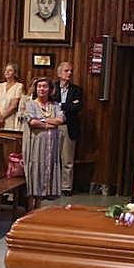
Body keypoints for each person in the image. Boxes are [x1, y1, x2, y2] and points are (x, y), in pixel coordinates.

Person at [19, 78, 65, 211]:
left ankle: (40, 206)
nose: (42, 89)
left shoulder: (55, 105)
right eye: (39, 86)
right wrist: (48, 123)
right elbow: (32, 122)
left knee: (46, 169)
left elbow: (60, 120)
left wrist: (42, 120)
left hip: (50, 146)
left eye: (45, 86)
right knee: (35, 169)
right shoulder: (31, 104)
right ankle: (31, 207)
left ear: (50, 89)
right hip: (36, 144)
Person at [54, 61, 83, 195]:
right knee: (52, 158)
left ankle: (66, 187)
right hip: (52, 126)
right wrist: (66, 105)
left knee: (67, 159)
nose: (70, 73)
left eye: (71, 71)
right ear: (59, 73)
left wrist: (61, 105)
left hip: (68, 127)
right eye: (66, 71)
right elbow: (50, 105)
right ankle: (52, 185)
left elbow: (76, 107)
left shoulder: (76, 90)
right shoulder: (52, 88)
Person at [0, 62, 24, 131]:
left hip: (9, 118)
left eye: (10, 70)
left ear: (15, 73)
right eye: (6, 70)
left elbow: (14, 105)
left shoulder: (19, 86)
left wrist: (2, 117)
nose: (7, 72)